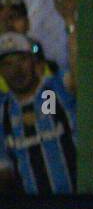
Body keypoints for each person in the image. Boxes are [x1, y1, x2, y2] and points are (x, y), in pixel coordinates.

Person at [0, 31, 76, 193]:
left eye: (22, 60)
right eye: (7, 64)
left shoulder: (56, 89)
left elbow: (79, 77)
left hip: (76, 202)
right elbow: (4, 170)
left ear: (34, 61)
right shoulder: (3, 112)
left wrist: (71, 23)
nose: (16, 70)